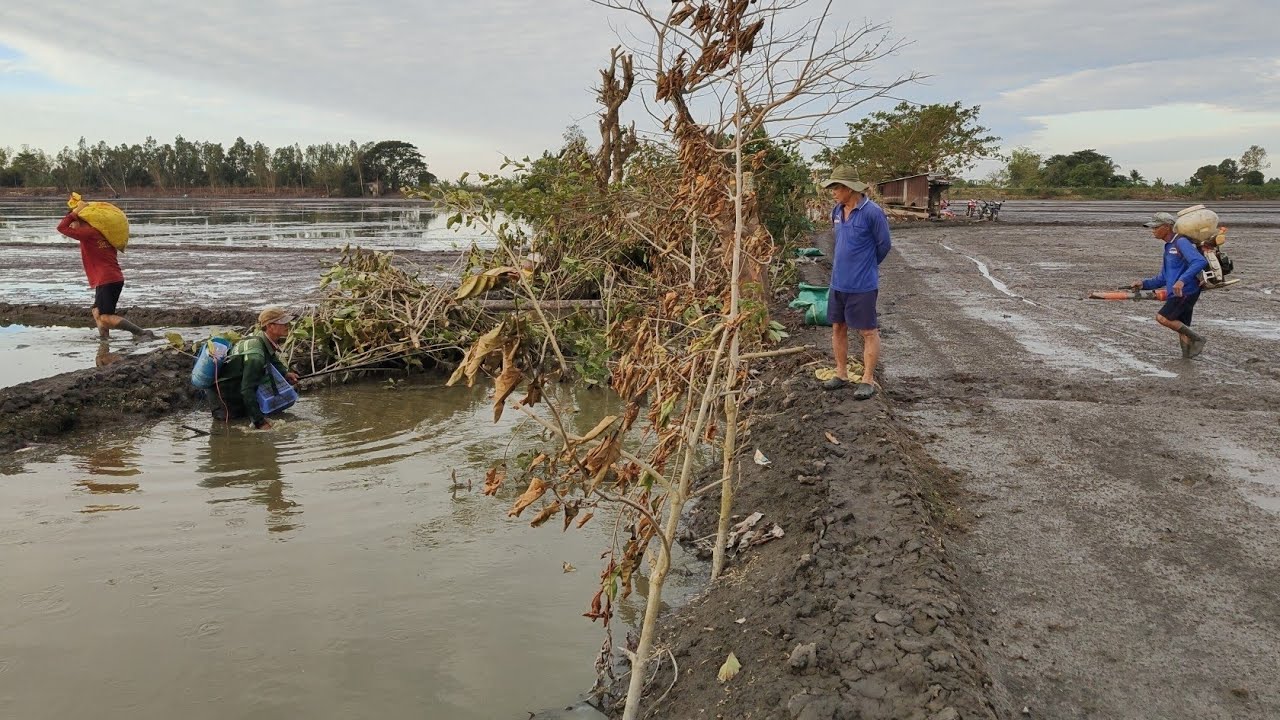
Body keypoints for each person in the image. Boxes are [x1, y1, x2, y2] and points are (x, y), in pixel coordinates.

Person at [819, 166, 892, 400]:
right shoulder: (837, 212)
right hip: (838, 282)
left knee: (868, 331)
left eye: (836, 188)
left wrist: (866, 265)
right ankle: (841, 374)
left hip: (862, 285)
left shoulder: (872, 213)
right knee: (838, 327)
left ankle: (868, 379)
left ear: (849, 189)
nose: (833, 192)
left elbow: (884, 245)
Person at [56, 205, 154, 339]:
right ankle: (104, 339)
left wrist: (75, 212)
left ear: (79, 220)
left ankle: (141, 333)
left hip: (107, 279)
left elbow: (61, 227)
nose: (71, 227)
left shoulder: (88, 233)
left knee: (105, 317)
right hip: (112, 278)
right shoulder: (103, 233)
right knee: (96, 311)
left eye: (73, 223)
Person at [1132, 212, 1209, 358]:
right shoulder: (1168, 247)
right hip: (1179, 290)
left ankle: (1198, 338)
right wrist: (1143, 284)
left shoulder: (1181, 242)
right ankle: (1187, 357)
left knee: (1163, 318)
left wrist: (1182, 281)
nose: (1153, 230)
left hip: (1186, 290)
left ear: (1167, 227)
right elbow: (1164, 277)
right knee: (1181, 325)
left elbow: (1199, 261)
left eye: (1155, 227)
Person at [210, 307, 301, 429]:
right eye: (282, 322)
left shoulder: (259, 337)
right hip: (224, 398)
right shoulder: (255, 357)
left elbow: (271, 356)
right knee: (232, 429)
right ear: (270, 326)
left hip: (234, 387)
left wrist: (285, 373)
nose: (287, 325)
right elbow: (247, 390)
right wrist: (260, 423)